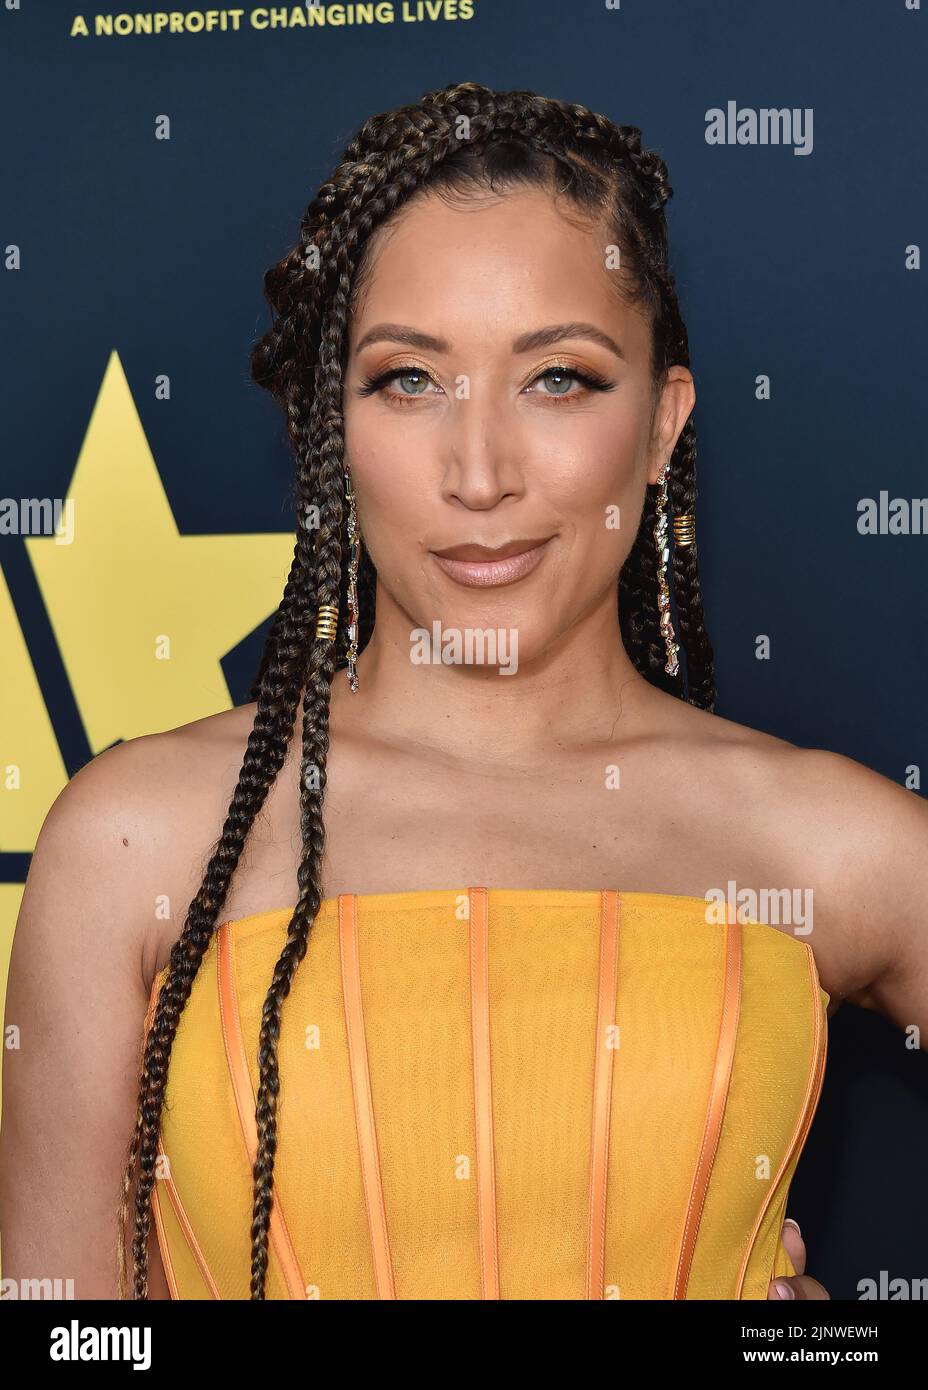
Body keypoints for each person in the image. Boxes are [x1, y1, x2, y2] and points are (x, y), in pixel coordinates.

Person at [2, 82, 924, 1301]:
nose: (479, 472)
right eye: (407, 380)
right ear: (325, 426)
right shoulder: (130, 839)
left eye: (560, 380)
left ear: (661, 426)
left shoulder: (832, 843)